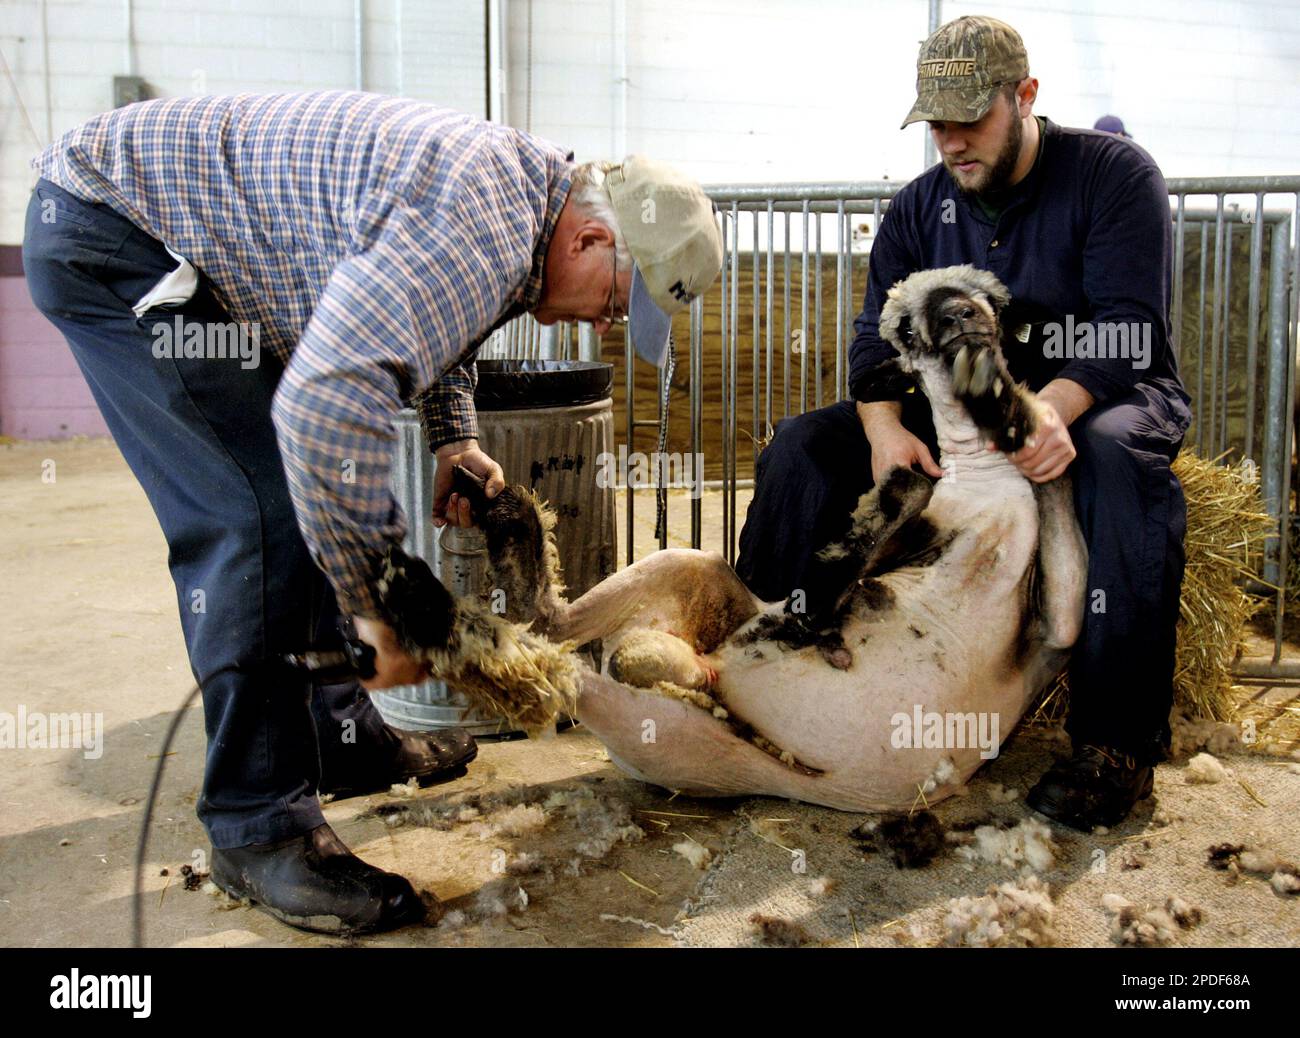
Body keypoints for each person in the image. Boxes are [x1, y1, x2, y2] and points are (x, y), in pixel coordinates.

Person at [23, 91, 721, 934]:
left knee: (303, 492)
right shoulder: (479, 220)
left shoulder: (532, 208)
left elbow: (446, 318)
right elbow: (322, 411)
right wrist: (384, 604)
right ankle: (256, 825)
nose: (606, 328)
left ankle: (338, 735)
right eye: (615, 304)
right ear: (592, 239)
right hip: (117, 231)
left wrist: (452, 439)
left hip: (198, 248)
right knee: (260, 512)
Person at [737, 16, 1191, 832]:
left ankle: (1114, 745)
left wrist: (1050, 410)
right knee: (806, 445)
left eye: (968, 119)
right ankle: (766, 647)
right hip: (952, 406)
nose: (950, 141)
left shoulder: (1114, 175)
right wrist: (880, 425)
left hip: (1100, 388)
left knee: (1115, 460)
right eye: (936, 122)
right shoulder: (919, 207)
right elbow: (876, 336)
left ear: (1025, 96)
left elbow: (1130, 327)